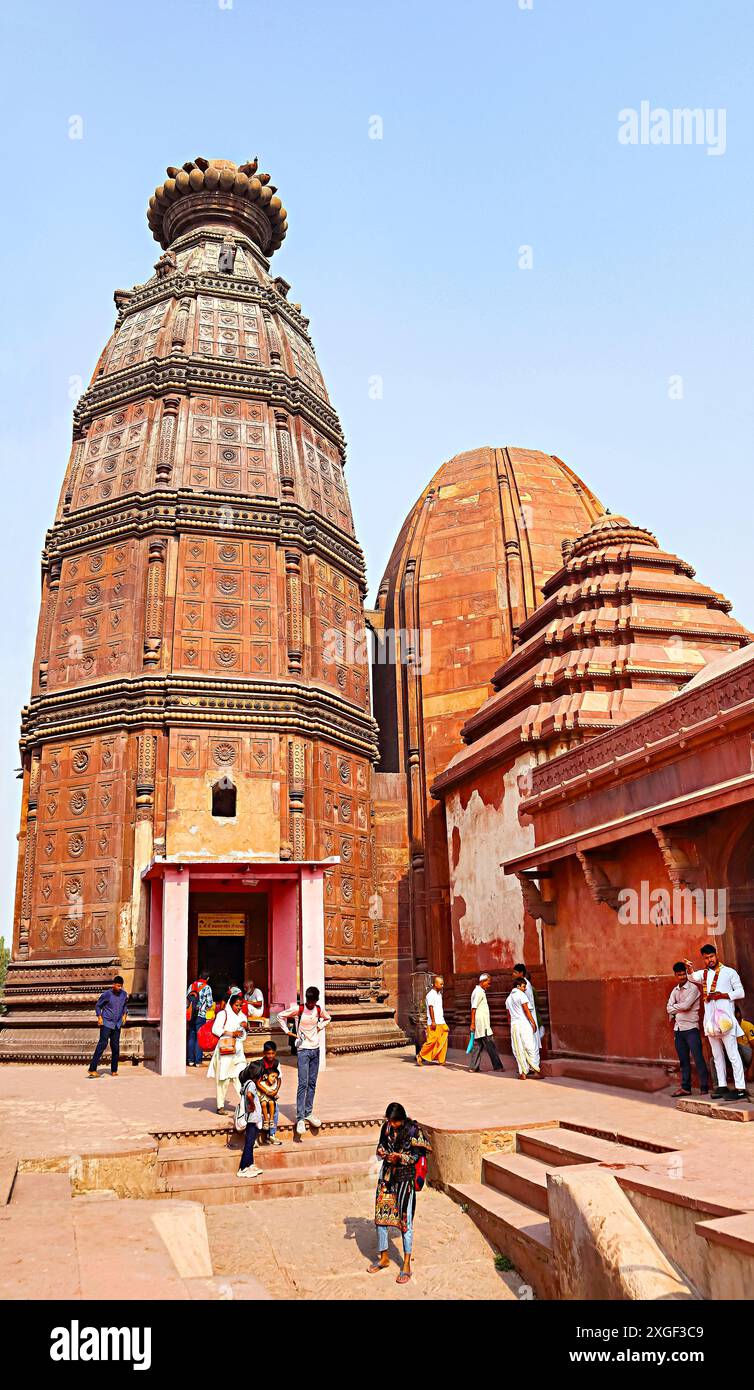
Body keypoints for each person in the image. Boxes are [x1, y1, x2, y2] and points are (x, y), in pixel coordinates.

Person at [368, 1102, 430, 1285]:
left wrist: (400, 1157)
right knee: (381, 1217)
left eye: (394, 1121)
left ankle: (406, 1264)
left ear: (401, 1119)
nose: (391, 1124)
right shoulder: (386, 1128)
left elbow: (417, 1156)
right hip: (387, 1178)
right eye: (389, 1121)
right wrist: (381, 1151)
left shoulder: (413, 1131)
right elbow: (381, 1145)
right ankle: (384, 1258)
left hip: (405, 1180)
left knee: (405, 1221)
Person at [685, 944, 748, 1102]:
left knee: (733, 1054)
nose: (709, 960)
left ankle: (741, 1088)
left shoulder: (729, 972)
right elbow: (692, 978)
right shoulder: (703, 974)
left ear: (716, 955)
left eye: (711, 956)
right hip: (710, 1022)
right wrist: (690, 969)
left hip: (726, 1021)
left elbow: (741, 992)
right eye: (706, 958)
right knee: (717, 1055)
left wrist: (724, 995)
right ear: (703, 959)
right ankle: (722, 1085)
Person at [277, 986, 331, 1136]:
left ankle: (308, 1112)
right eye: (310, 1001)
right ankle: (300, 1117)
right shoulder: (299, 1009)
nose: (312, 1004)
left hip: (315, 1050)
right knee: (303, 1083)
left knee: (312, 1083)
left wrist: (319, 1026)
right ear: (307, 999)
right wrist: (288, 1032)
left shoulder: (319, 1010)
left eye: (314, 1001)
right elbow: (280, 1016)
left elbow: (328, 1018)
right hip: (303, 1050)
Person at [666, 961, 710, 1097]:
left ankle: (704, 1087)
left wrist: (674, 1009)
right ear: (675, 975)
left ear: (686, 973)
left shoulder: (694, 989)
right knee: (683, 1060)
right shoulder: (675, 990)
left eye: (683, 974)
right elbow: (668, 1007)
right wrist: (675, 1008)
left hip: (691, 1028)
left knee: (698, 1058)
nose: (682, 977)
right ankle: (685, 1088)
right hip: (678, 1030)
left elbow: (686, 1006)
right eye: (679, 975)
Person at [207, 990, 248, 1112]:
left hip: (238, 1050)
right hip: (225, 1049)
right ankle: (220, 1106)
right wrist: (231, 1033)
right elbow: (216, 1029)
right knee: (223, 1078)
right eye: (237, 1005)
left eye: (240, 1005)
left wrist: (245, 1028)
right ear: (231, 1004)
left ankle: (245, 1103)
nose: (239, 1007)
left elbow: (243, 1036)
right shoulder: (222, 1014)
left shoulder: (243, 1017)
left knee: (241, 1076)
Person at [240, 1041, 282, 1144]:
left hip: (269, 1093)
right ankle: (254, 1138)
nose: (270, 1056)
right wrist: (267, 1092)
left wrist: (276, 1090)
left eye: (272, 1053)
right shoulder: (260, 1064)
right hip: (259, 1093)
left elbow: (279, 1078)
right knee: (257, 1113)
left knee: (275, 1109)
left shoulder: (276, 1063)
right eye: (268, 1053)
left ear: (275, 1053)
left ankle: (272, 1134)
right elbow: (257, 1083)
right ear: (264, 1053)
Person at [88, 975, 129, 1078]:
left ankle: (114, 1070)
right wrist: (99, 1017)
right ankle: (92, 1069)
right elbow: (98, 1005)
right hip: (106, 1023)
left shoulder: (124, 995)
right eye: (118, 986)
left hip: (117, 1025)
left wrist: (125, 1014)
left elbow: (124, 1005)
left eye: (121, 986)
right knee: (102, 1044)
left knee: (115, 1047)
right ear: (113, 985)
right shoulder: (107, 994)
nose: (119, 988)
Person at [505, 976, 541, 1079]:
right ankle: (536, 1071)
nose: (525, 988)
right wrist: (533, 1022)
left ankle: (523, 1073)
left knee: (518, 1048)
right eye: (524, 986)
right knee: (531, 1047)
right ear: (518, 986)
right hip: (524, 1023)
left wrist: (511, 1026)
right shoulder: (522, 995)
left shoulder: (508, 999)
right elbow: (526, 1010)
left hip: (514, 1025)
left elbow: (509, 1016)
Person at [468, 973, 504, 1073]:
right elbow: (473, 1008)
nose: (489, 985)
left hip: (480, 1023)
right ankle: (498, 1066)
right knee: (490, 1044)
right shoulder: (479, 992)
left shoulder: (479, 991)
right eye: (488, 983)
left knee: (478, 1045)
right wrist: (472, 1023)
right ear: (483, 982)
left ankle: (473, 1067)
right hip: (482, 1023)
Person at [513, 962, 543, 1067]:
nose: (513, 974)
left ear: (521, 973)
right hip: (527, 1016)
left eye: (515, 972)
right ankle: (530, 1066)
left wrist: (531, 1021)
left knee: (531, 1043)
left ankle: (534, 1067)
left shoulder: (524, 985)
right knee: (529, 1042)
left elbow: (526, 1005)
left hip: (528, 1016)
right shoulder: (523, 985)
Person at [236, 1071, 263, 1180]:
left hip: (253, 1118)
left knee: (251, 1143)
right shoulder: (251, 1084)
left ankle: (250, 1164)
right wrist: (252, 1105)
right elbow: (249, 1095)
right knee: (249, 1143)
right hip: (252, 1118)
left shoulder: (247, 1083)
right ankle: (243, 1168)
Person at [416, 975, 448, 1067]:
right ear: (435, 984)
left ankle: (441, 1060)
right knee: (432, 1041)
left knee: (443, 1040)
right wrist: (433, 1021)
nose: (442, 986)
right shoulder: (430, 995)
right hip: (433, 1022)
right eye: (441, 984)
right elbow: (431, 1008)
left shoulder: (439, 994)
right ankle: (420, 1055)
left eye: (443, 984)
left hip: (441, 1021)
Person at [735, 1009, 754, 1080]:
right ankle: (719, 1086)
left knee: (737, 1046)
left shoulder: (747, 1025)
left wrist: (751, 1070)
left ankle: (742, 1076)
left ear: (738, 1014)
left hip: (750, 1058)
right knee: (713, 1060)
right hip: (738, 1058)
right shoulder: (727, 1027)